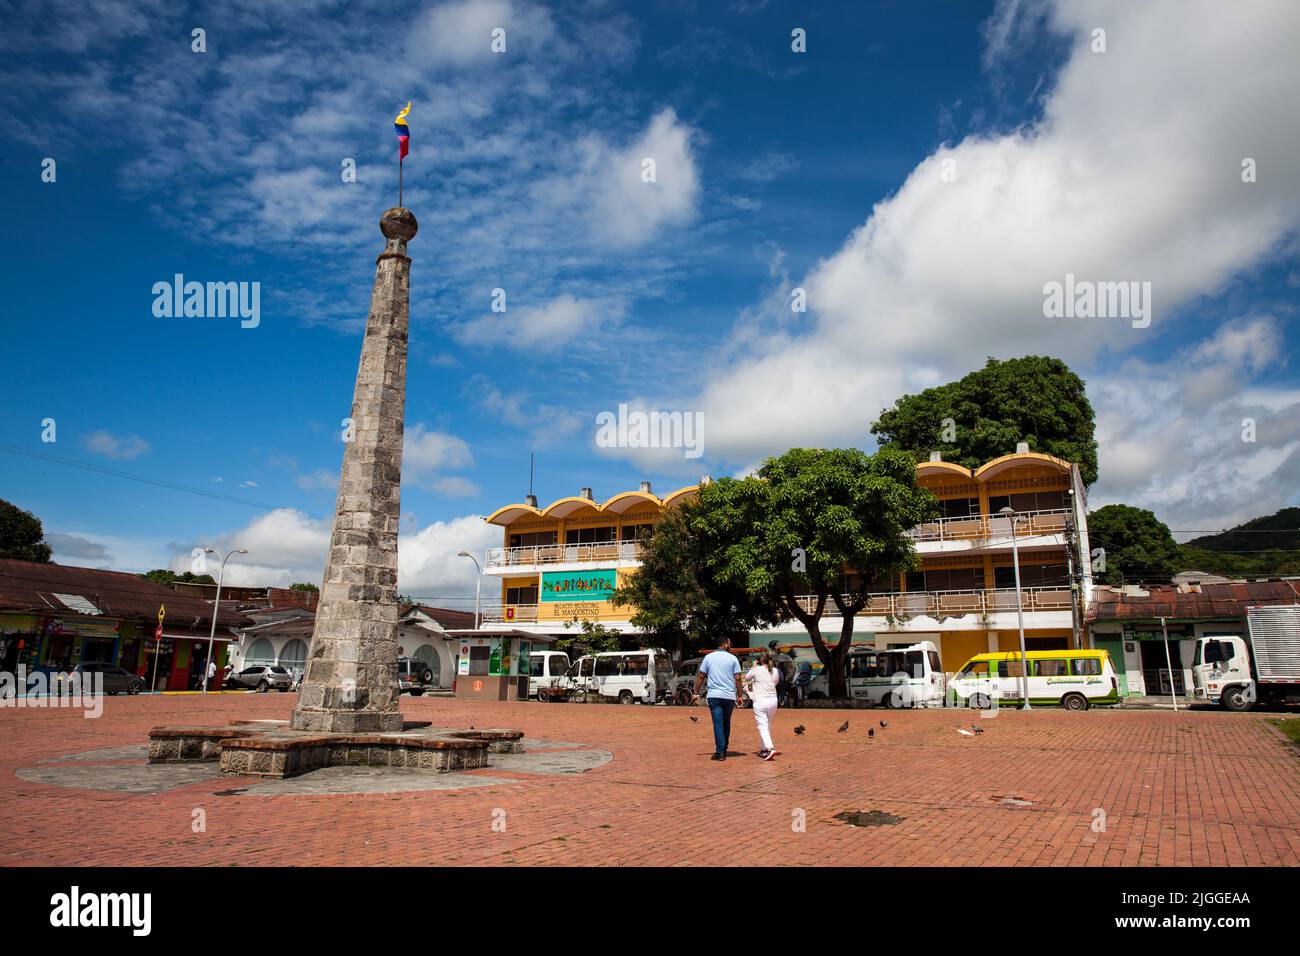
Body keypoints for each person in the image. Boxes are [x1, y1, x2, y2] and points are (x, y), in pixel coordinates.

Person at [693, 637, 743, 761]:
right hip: (729, 696)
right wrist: (740, 695)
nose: (731, 645)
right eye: (729, 643)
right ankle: (723, 748)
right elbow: (738, 678)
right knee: (726, 722)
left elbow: (701, 676)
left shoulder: (708, 658)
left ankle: (720, 752)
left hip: (714, 695)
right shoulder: (733, 658)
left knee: (718, 723)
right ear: (725, 644)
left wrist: (696, 692)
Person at [746, 650, 782, 760]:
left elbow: (747, 677)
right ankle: (764, 749)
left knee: (762, 726)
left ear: (761, 659)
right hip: (773, 701)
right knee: (767, 725)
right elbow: (775, 682)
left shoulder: (757, 669)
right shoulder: (775, 670)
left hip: (760, 701)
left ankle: (770, 748)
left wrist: (753, 667)